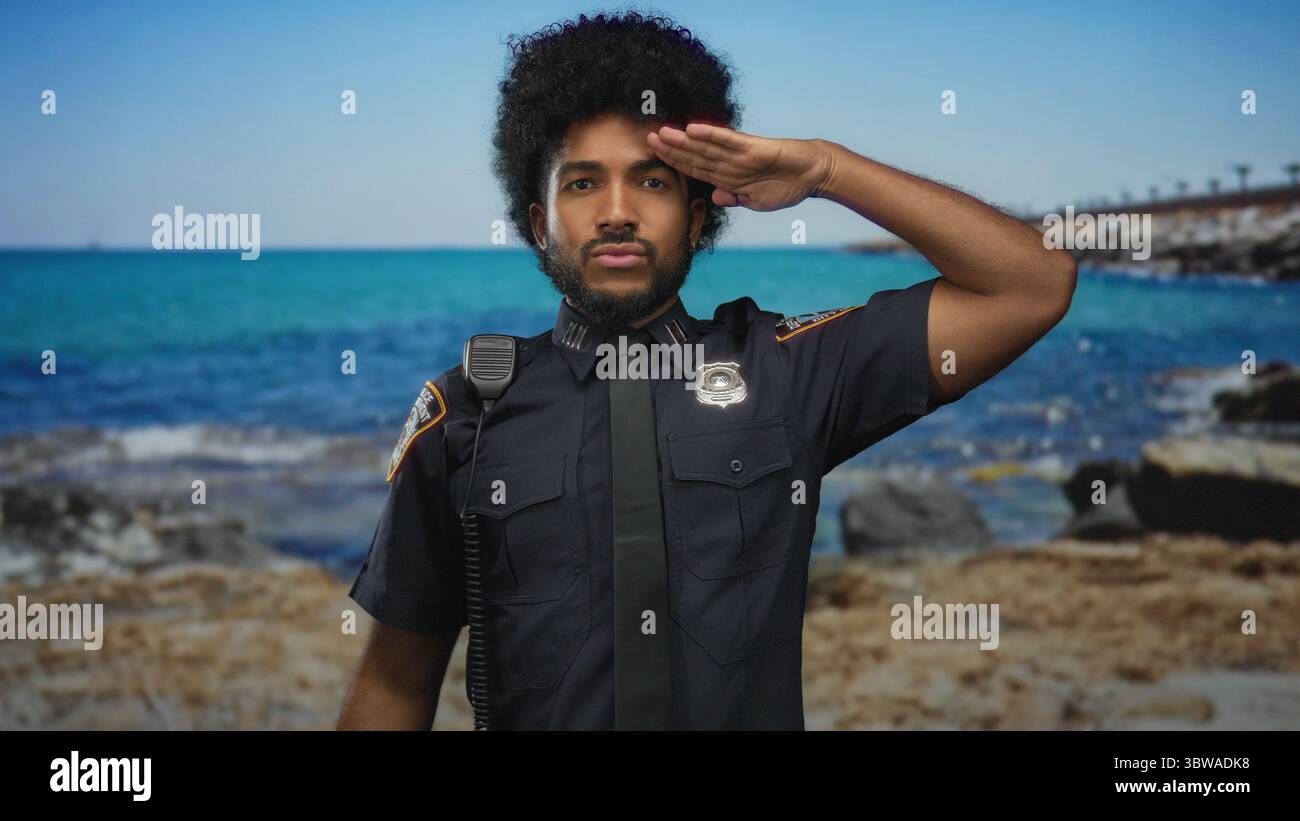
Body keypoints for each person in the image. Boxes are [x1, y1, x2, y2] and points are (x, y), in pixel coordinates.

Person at [336, 10, 1076, 730]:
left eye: (653, 182)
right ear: (540, 223)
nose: (617, 212)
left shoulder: (787, 371)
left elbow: (1032, 283)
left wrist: (826, 167)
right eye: (583, 183)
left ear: (697, 219)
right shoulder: (464, 410)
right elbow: (396, 681)